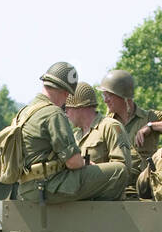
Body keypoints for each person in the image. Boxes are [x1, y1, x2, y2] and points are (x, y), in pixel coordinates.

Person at [13, 62, 126, 204]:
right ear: (65, 92)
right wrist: (86, 164)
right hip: (48, 187)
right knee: (119, 171)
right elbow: (73, 162)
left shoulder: (25, 112)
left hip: (27, 188)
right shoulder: (52, 113)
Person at [100, 69, 162, 188]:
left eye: (109, 95)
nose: (105, 100)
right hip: (116, 189)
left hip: (146, 187)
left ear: (124, 97)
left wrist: (152, 126)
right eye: (104, 95)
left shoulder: (149, 117)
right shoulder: (105, 124)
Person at [64, 82, 132, 170]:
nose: (66, 114)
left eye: (67, 109)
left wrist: (92, 169)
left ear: (79, 107)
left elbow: (123, 168)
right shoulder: (75, 136)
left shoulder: (110, 126)